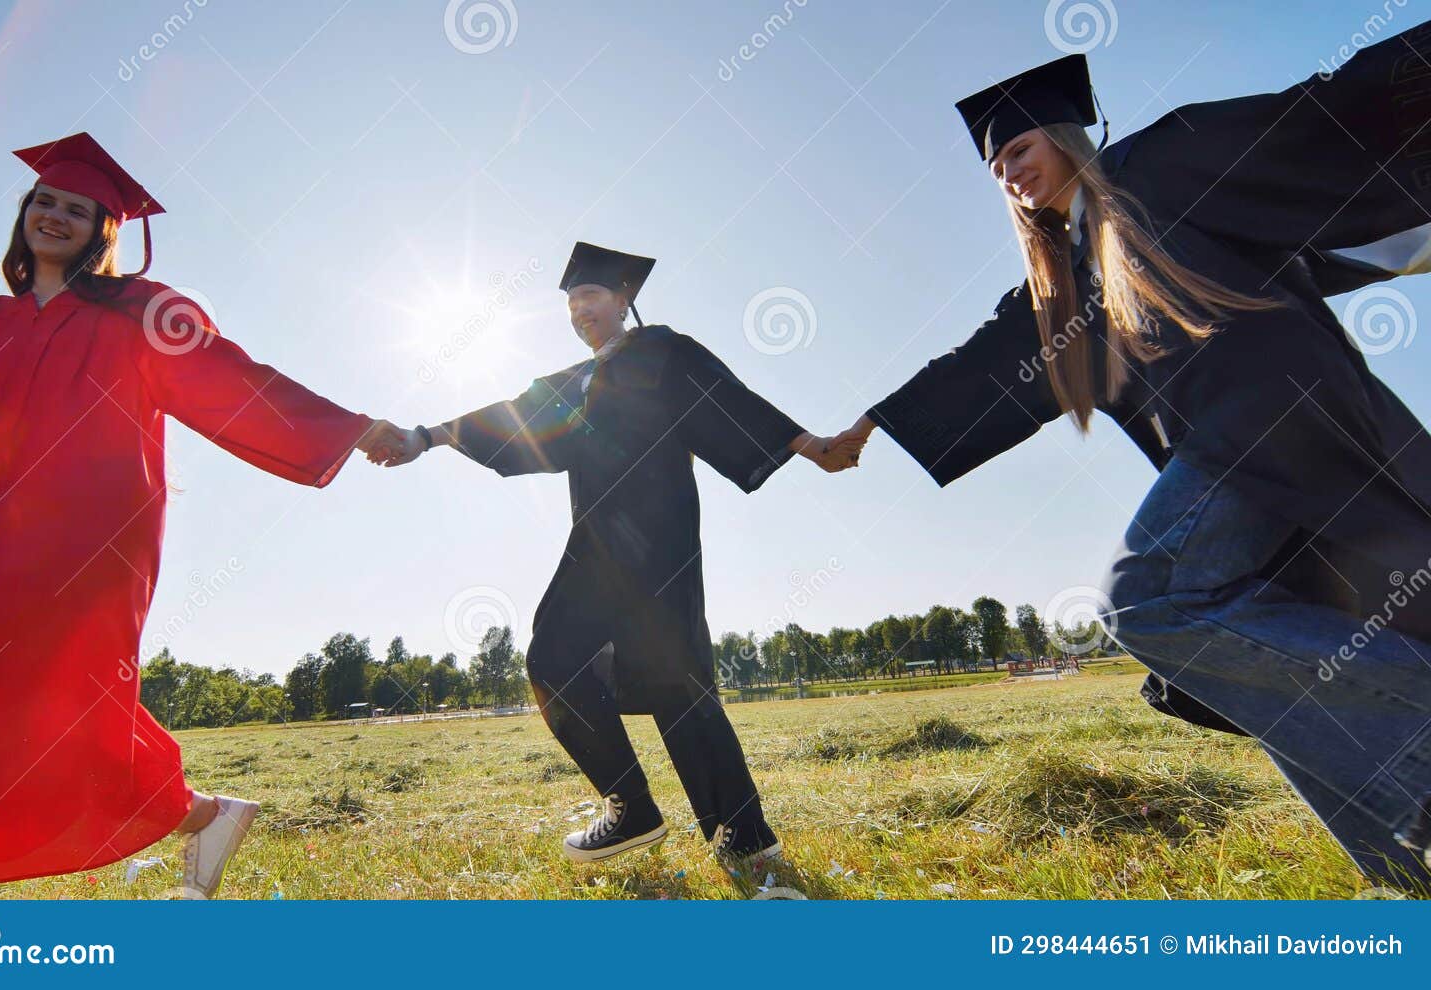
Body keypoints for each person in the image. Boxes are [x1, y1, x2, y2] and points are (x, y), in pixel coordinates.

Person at [834, 27, 1431, 888]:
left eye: (1022, 146)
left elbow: (1321, 115)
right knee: (1284, 694)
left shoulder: (1166, 164)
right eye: (995, 165)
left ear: (1069, 136)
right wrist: (872, 423)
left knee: (1148, 599)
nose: (1008, 171)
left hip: (1281, 434)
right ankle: (1406, 889)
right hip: (1245, 479)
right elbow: (980, 367)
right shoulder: (1059, 286)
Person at [0, 133, 400, 899]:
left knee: (52, 705)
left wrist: (346, 426)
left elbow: (229, 379)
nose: (54, 216)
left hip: (74, 556)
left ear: (106, 231)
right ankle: (191, 816)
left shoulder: (138, 315)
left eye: (75, 208)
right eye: (44, 202)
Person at [374, 242, 860, 865]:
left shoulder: (660, 349)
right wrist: (425, 436)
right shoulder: (570, 383)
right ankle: (738, 836)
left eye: (592, 295)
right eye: (573, 300)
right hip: (601, 536)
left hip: (656, 535)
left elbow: (726, 398)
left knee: (572, 658)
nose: (580, 309)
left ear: (625, 298)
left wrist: (811, 445)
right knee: (665, 678)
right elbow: (509, 417)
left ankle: (647, 813)